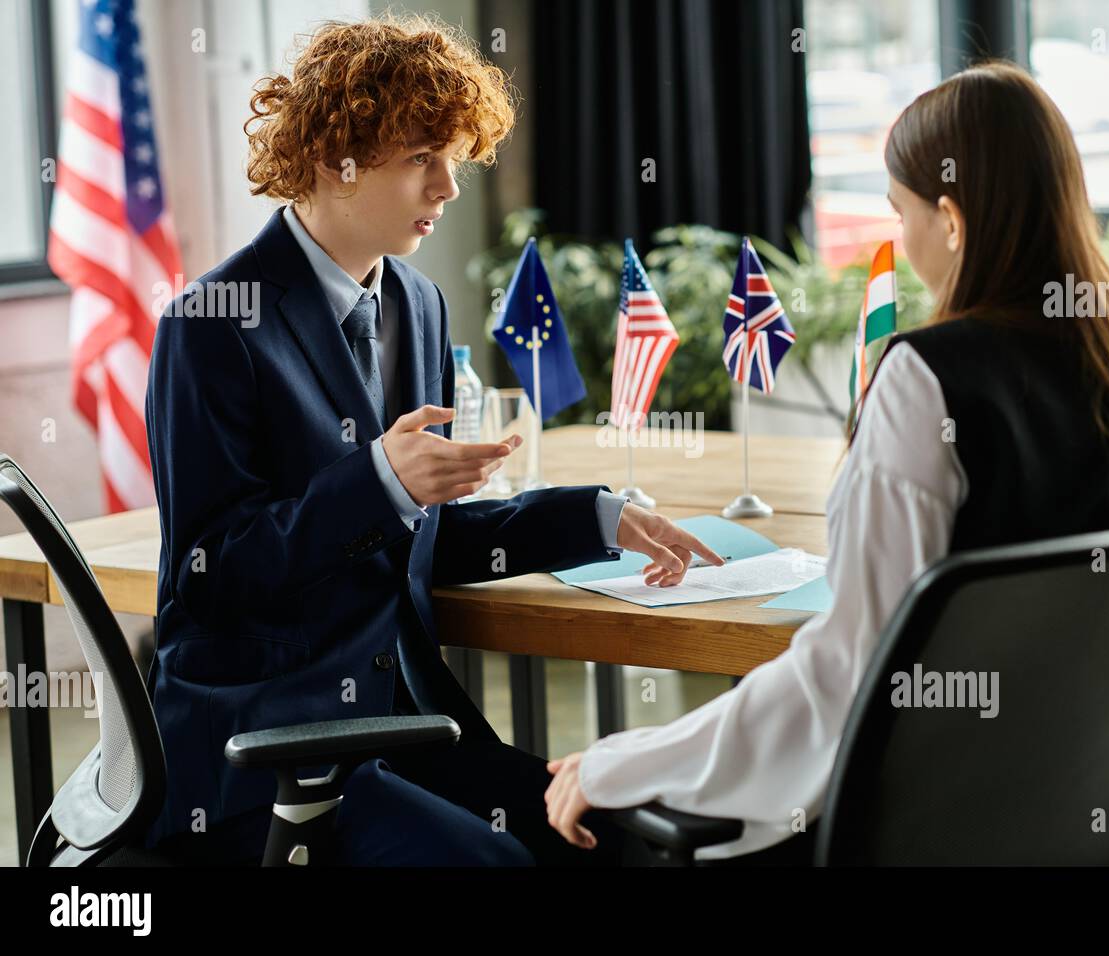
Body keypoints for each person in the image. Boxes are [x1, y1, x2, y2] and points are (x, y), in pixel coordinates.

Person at [544, 61, 1109, 863]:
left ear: (954, 218)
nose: (901, 242)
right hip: (1101, 820)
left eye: (902, 215)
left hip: (927, 829)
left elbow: (848, 673)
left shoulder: (927, 379)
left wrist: (623, 760)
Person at [143, 13, 721, 867]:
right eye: (422, 157)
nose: (449, 188)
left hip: (408, 724)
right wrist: (379, 480)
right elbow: (210, 579)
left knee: (611, 839)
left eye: (453, 158)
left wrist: (598, 518)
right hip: (268, 750)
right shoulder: (211, 325)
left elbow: (426, 535)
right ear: (333, 155)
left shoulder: (415, 305)